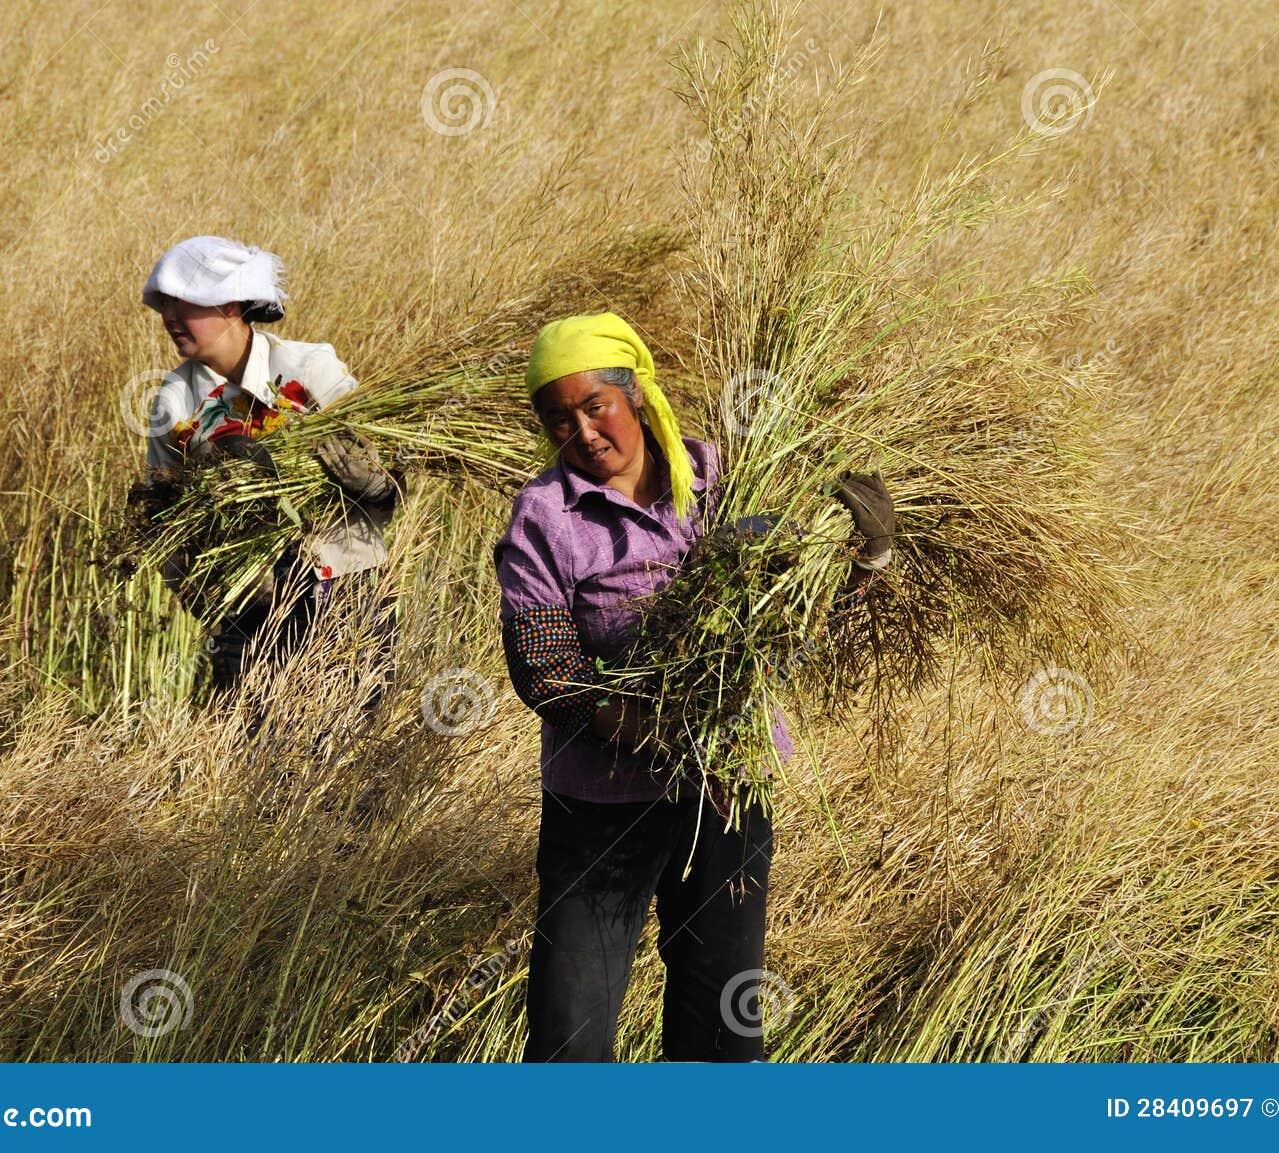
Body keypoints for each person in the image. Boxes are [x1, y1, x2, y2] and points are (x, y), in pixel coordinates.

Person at [492, 312, 893, 1062]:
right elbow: (544, 667)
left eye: (594, 406)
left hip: (724, 789)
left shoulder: (725, 480)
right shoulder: (545, 516)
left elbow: (793, 621)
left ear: (635, 394)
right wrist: (645, 723)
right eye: (557, 420)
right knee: (566, 1037)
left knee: (721, 1025)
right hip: (599, 805)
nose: (580, 432)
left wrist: (865, 557)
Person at [126, 235, 402, 696]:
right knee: (257, 754)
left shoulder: (312, 369)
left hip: (349, 594)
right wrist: (213, 601)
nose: (170, 317)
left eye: (184, 303)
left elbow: (391, 476)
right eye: (164, 306)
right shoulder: (174, 402)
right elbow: (161, 522)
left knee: (356, 750)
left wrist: (372, 483)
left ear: (231, 305)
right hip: (247, 617)